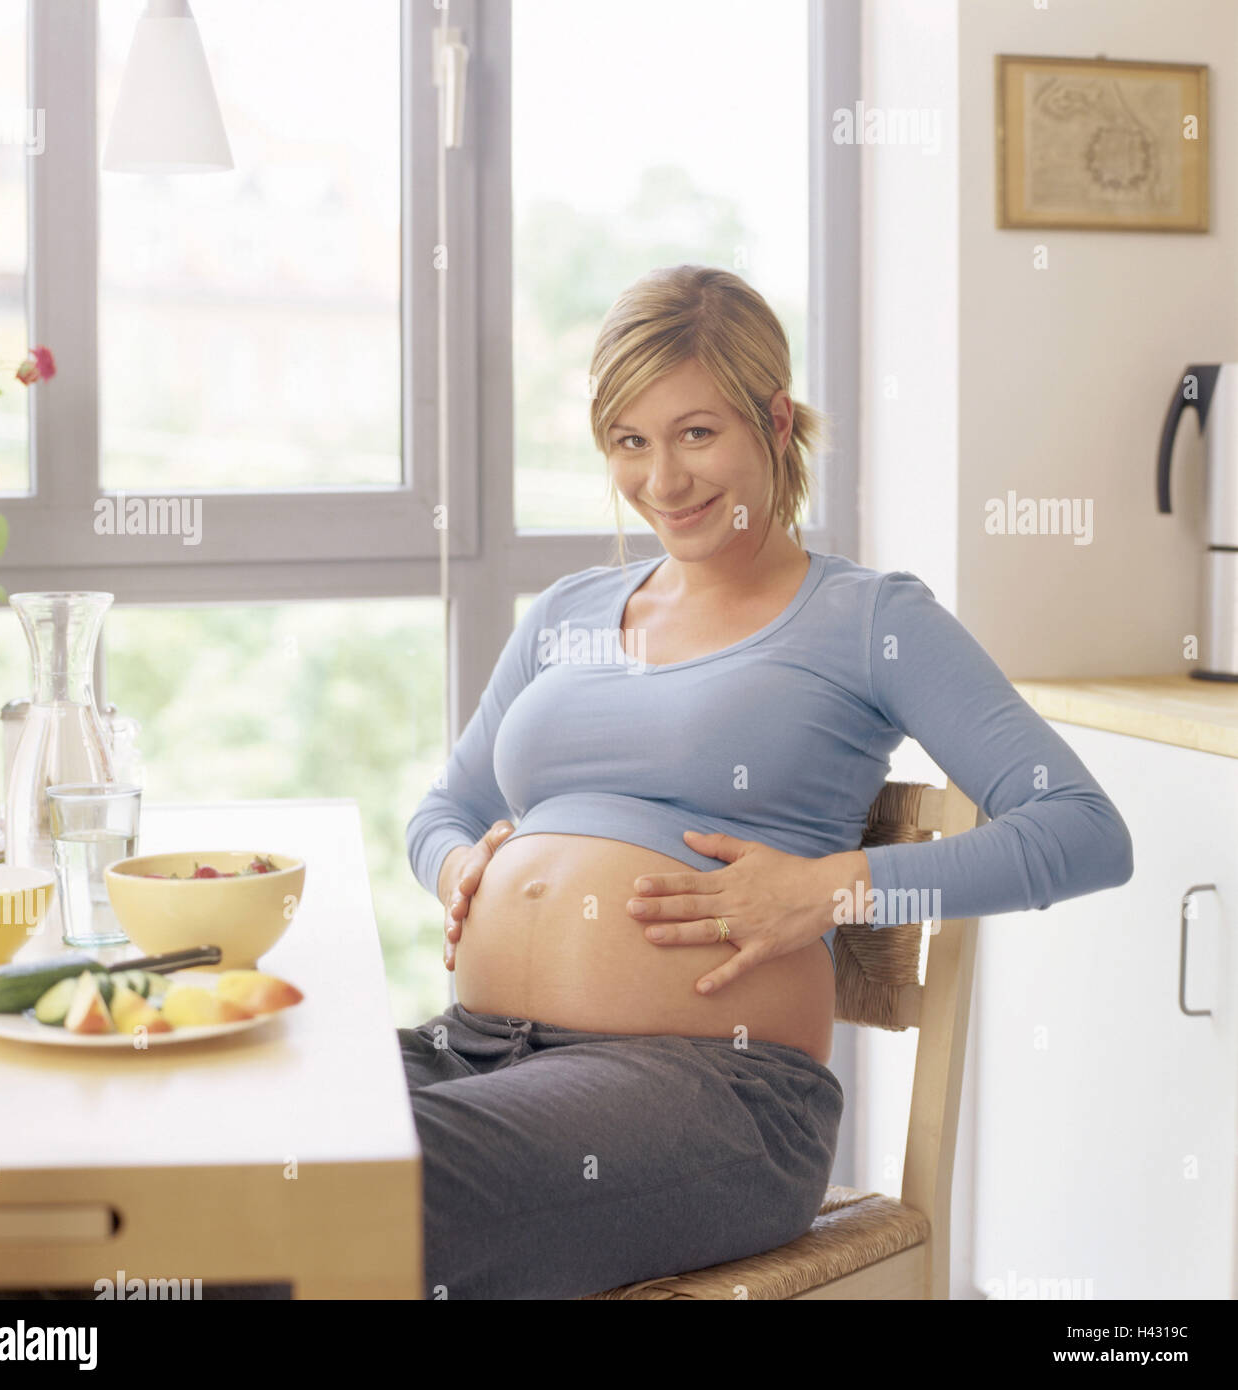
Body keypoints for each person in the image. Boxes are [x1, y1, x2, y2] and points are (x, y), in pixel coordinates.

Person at [401, 264, 1133, 1300]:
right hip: (477, 1051)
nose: (662, 479)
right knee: (224, 1143)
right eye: (630, 441)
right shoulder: (567, 610)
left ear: (773, 420)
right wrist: (458, 870)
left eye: (695, 433)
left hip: (710, 1094)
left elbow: (1082, 832)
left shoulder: (870, 617)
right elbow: (441, 813)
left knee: (379, 1175)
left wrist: (831, 888)